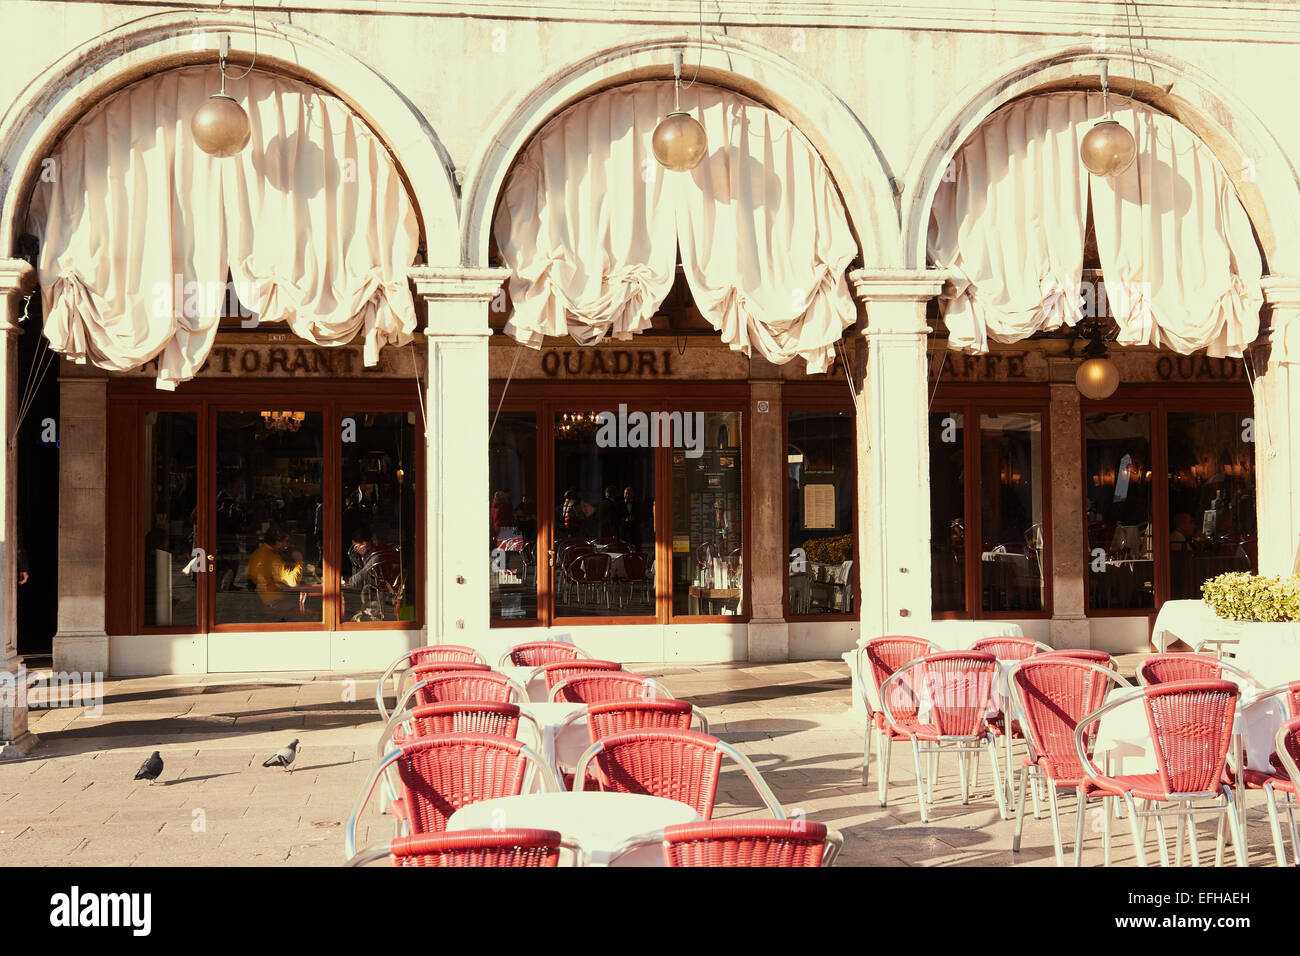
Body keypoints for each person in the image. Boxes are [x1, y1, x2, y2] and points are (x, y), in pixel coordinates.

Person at [245, 526, 304, 617]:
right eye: (287, 541)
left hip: (260, 598)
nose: (288, 545)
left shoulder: (260, 552)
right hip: (272, 601)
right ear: (277, 542)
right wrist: (299, 561)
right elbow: (293, 581)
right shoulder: (273, 559)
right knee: (307, 612)